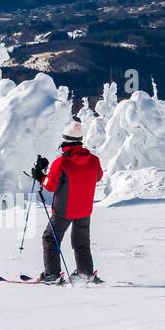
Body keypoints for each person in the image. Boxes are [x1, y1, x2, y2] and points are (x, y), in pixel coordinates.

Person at [34, 120, 104, 284]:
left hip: (64, 209)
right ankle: (85, 273)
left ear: (64, 140)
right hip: (85, 209)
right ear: (80, 140)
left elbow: (50, 186)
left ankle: (52, 274)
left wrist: (40, 176)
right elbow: (98, 177)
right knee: (81, 243)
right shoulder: (93, 160)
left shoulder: (62, 162)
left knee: (50, 239)